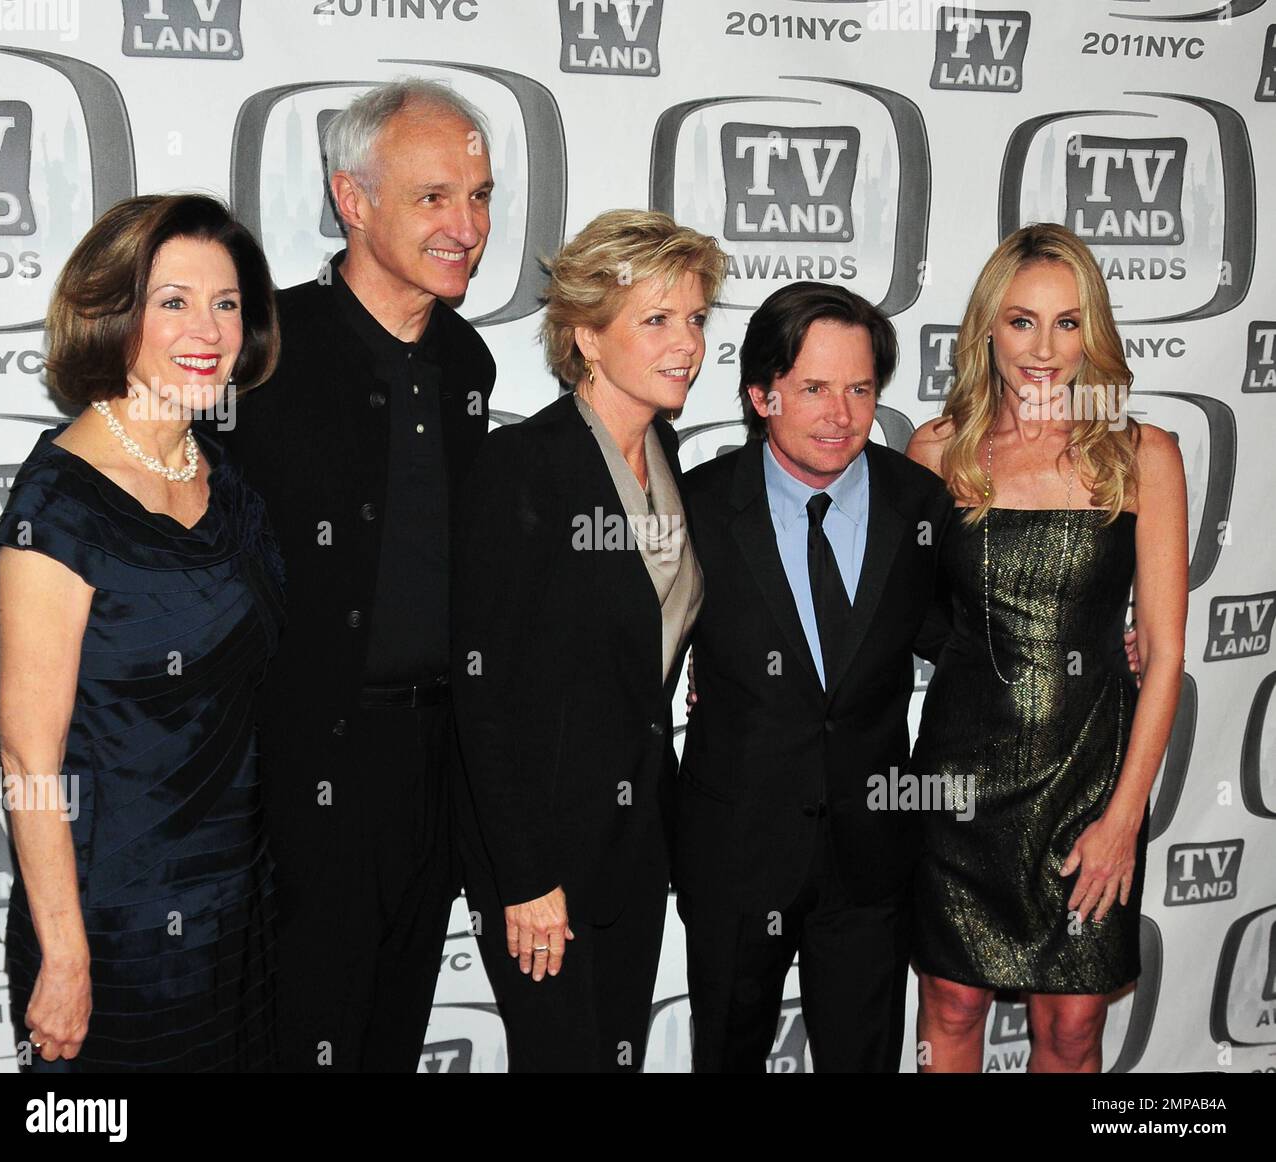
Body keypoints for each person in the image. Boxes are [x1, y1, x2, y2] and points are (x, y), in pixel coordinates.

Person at [221, 78, 496, 1072]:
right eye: (434, 197)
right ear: (352, 199)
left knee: (393, 1032)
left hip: (434, 771)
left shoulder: (469, 365)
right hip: (300, 776)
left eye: (479, 195)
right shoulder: (261, 354)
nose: (467, 226)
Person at [0, 193, 282, 1072]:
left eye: (226, 303)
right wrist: (65, 957)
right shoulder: (60, 503)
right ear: (115, 315)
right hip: (111, 927)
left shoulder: (224, 480)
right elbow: (27, 756)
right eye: (174, 301)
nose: (208, 329)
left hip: (236, 910)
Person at [905, 223, 1187, 1073]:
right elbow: (901, 619)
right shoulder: (937, 451)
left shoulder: (1143, 455)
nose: (1043, 348)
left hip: (1091, 779)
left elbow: (1164, 655)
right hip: (960, 780)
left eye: (1068, 323)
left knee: (1071, 1031)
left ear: (1092, 332)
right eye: (1022, 321)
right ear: (988, 328)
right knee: (952, 1007)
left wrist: (1123, 818)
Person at [451, 209, 725, 1072]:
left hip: (636, 839)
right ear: (588, 338)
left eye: (695, 318)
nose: (687, 344)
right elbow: (481, 692)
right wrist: (526, 877)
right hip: (542, 849)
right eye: (657, 319)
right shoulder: (522, 466)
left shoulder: (667, 452)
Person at [674, 281, 954, 1072]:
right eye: (814, 389)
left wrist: (1102, 643)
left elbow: (965, 639)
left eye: (860, 389)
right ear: (761, 396)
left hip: (871, 856)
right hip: (736, 851)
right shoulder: (697, 508)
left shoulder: (920, 505)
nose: (841, 415)